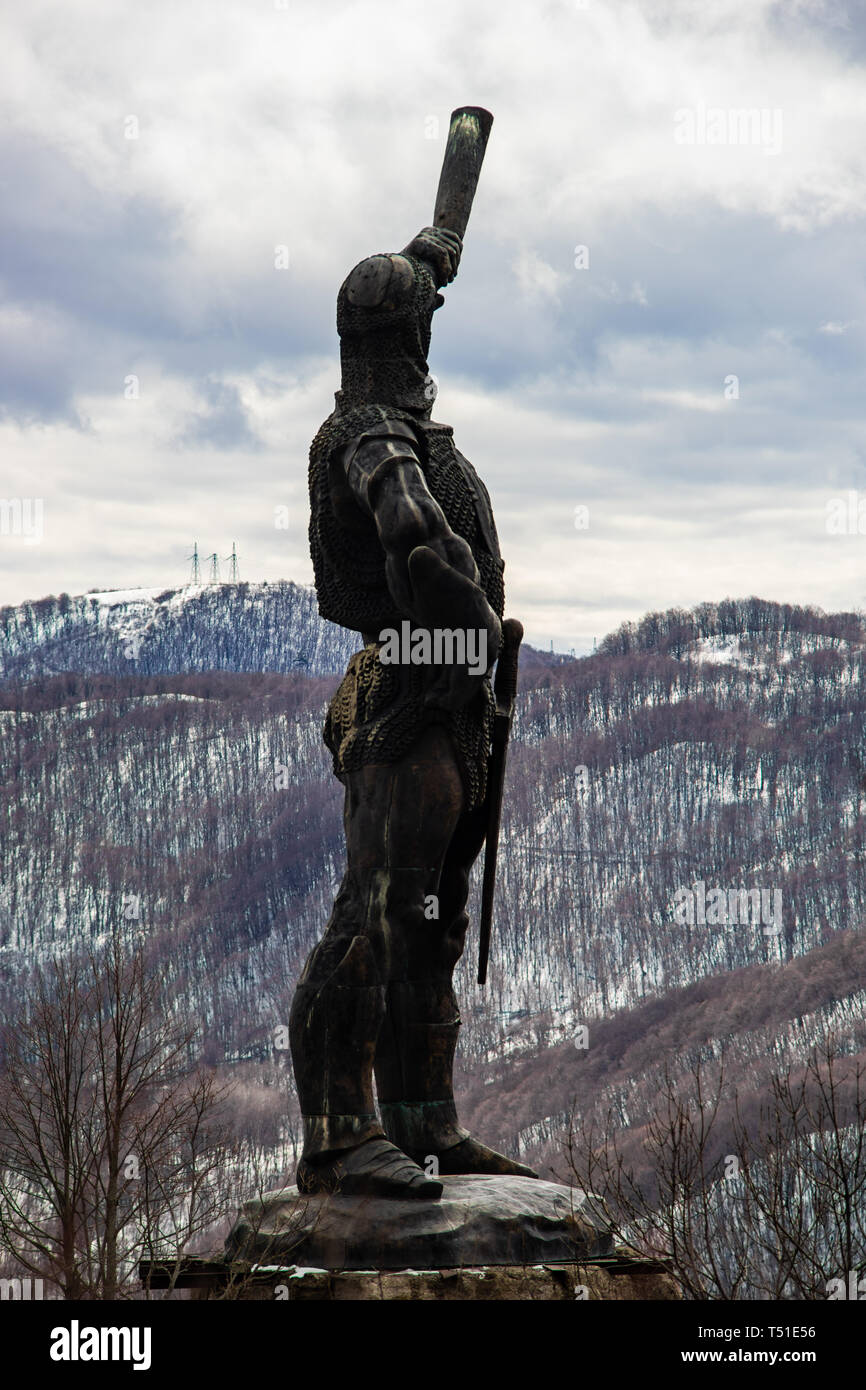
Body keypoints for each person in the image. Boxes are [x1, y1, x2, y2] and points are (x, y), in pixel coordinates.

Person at [289, 226, 538, 1198]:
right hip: (405, 703)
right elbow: (414, 537)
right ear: (405, 340)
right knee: (377, 915)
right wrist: (468, 617)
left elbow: (407, 286)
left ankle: (422, 1122)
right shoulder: (368, 436)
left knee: (429, 921)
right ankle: (339, 1133)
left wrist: (429, 252)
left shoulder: (388, 408)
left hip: (454, 707)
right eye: (419, 322)